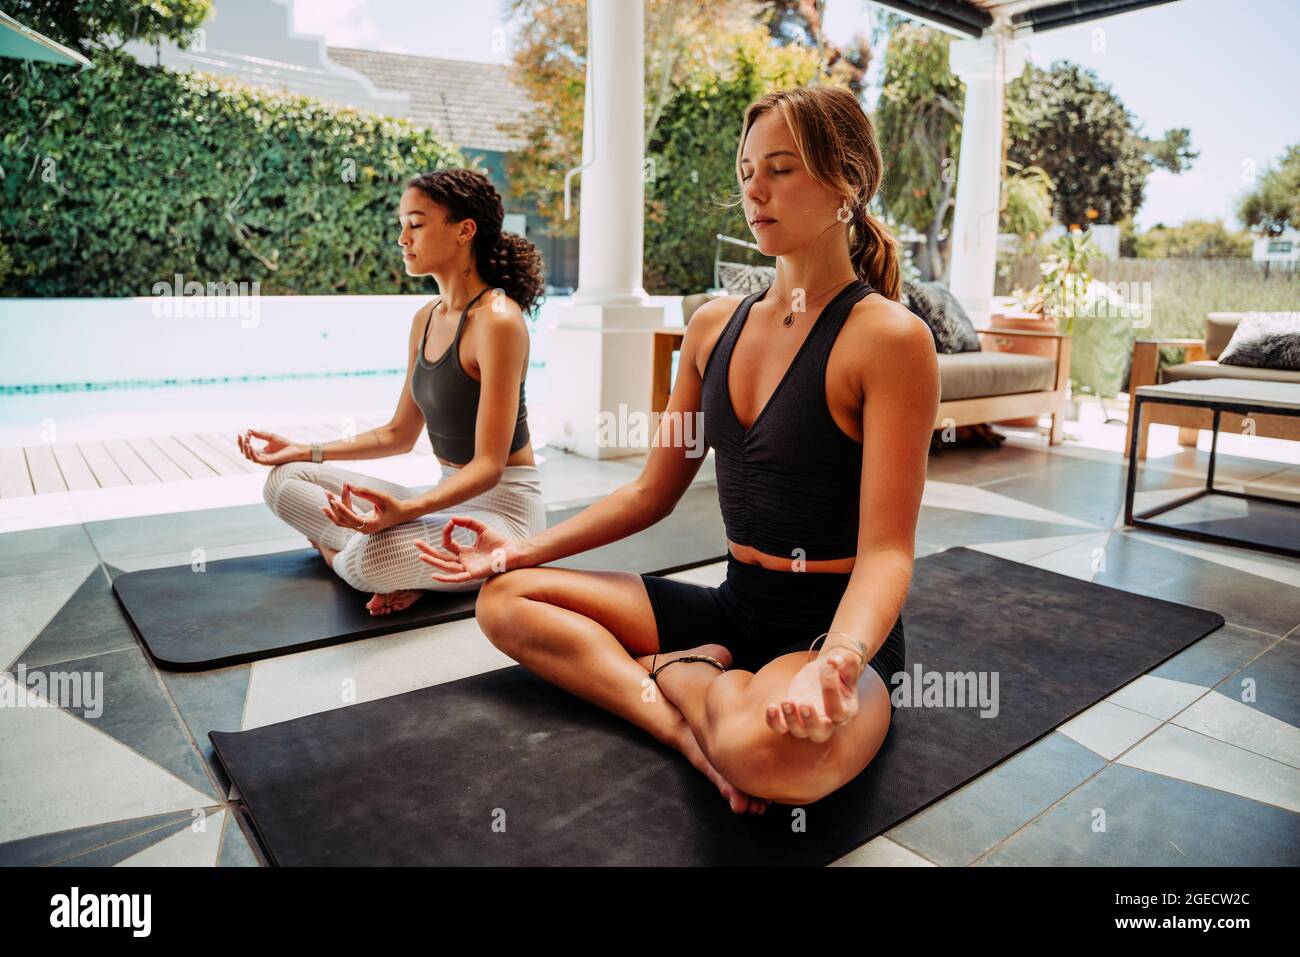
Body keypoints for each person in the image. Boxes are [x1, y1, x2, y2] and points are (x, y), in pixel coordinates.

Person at [419, 87, 939, 812]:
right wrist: (514, 551)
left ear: (847, 182)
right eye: (747, 172)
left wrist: (840, 661)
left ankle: (684, 677)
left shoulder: (889, 339)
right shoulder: (712, 327)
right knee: (506, 599)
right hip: (735, 604)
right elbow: (650, 493)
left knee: (774, 760)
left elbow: (887, 551)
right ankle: (681, 717)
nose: (754, 190)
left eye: (780, 169)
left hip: (832, 628)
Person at [238, 168, 547, 617]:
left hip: (503, 517)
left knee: (371, 558)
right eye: (402, 225)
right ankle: (406, 567)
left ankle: (346, 554)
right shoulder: (426, 318)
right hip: (447, 503)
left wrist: (405, 510)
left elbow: (488, 466)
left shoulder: (498, 320)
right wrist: (306, 450)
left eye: (416, 224)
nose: (403, 239)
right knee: (285, 480)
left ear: (465, 230)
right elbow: (399, 434)